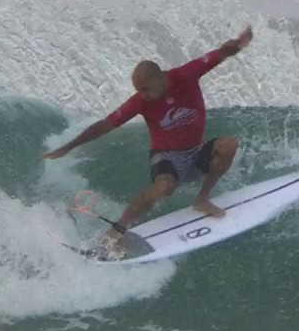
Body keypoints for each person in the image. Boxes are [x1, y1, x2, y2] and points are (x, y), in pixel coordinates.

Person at [41, 27, 253, 250]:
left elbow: (220, 53)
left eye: (145, 89)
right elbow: (106, 124)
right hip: (165, 155)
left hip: (195, 150)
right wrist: (68, 146)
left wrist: (239, 43)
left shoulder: (186, 75)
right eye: (138, 90)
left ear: (160, 80)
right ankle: (116, 231)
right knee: (164, 185)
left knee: (228, 145)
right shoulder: (140, 102)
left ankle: (202, 199)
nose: (142, 95)